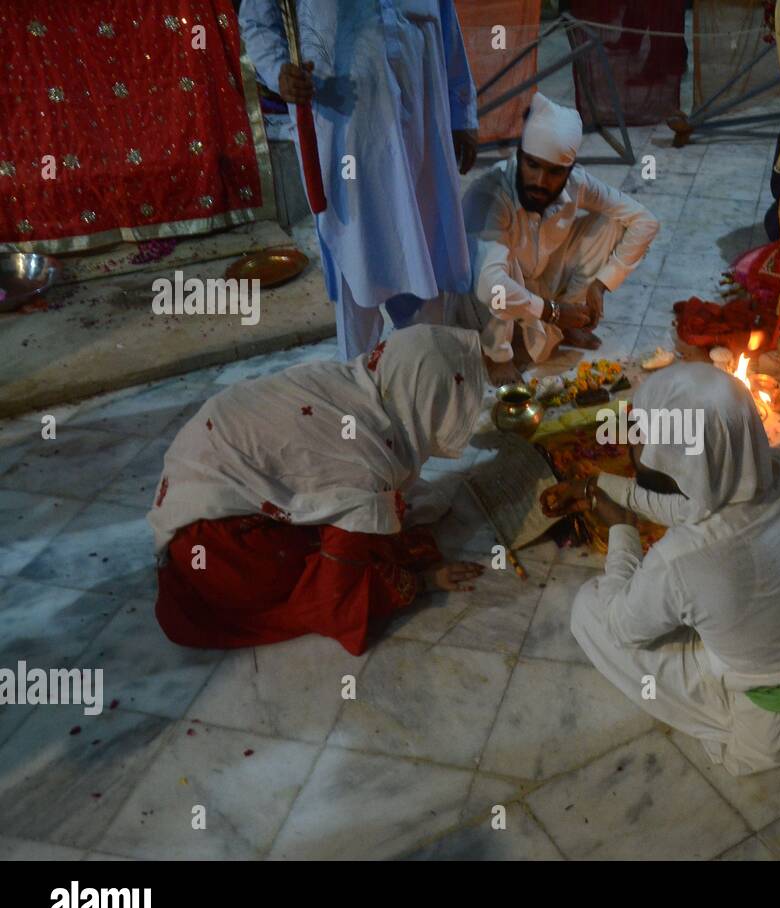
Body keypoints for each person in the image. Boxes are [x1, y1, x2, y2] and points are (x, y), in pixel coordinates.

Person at [551, 363, 780, 776]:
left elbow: (621, 628)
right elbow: (696, 504)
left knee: (591, 611)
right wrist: (597, 486)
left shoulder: (680, 558)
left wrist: (620, 528)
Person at [147, 326, 489, 656]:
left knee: (387, 514)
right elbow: (334, 603)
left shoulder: (350, 387)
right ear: (430, 404)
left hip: (188, 502)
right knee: (368, 542)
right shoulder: (367, 462)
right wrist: (420, 583)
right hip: (223, 559)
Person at [239, 0, 480, 361]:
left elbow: (446, 20)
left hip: (424, 116)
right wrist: (278, 73)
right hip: (348, 126)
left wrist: (461, 111)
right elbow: (257, 21)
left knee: (426, 244)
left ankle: (424, 374)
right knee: (357, 252)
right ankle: (361, 389)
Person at [452, 92, 659, 385]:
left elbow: (645, 221)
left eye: (553, 172)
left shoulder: (578, 184)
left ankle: (566, 324)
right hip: (480, 299)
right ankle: (497, 355)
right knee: (499, 266)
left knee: (613, 223)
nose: (539, 181)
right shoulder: (489, 194)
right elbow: (489, 287)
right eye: (532, 165)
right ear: (520, 157)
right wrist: (552, 311)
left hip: (533, 283)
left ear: (569, 171)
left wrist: (600, 285)